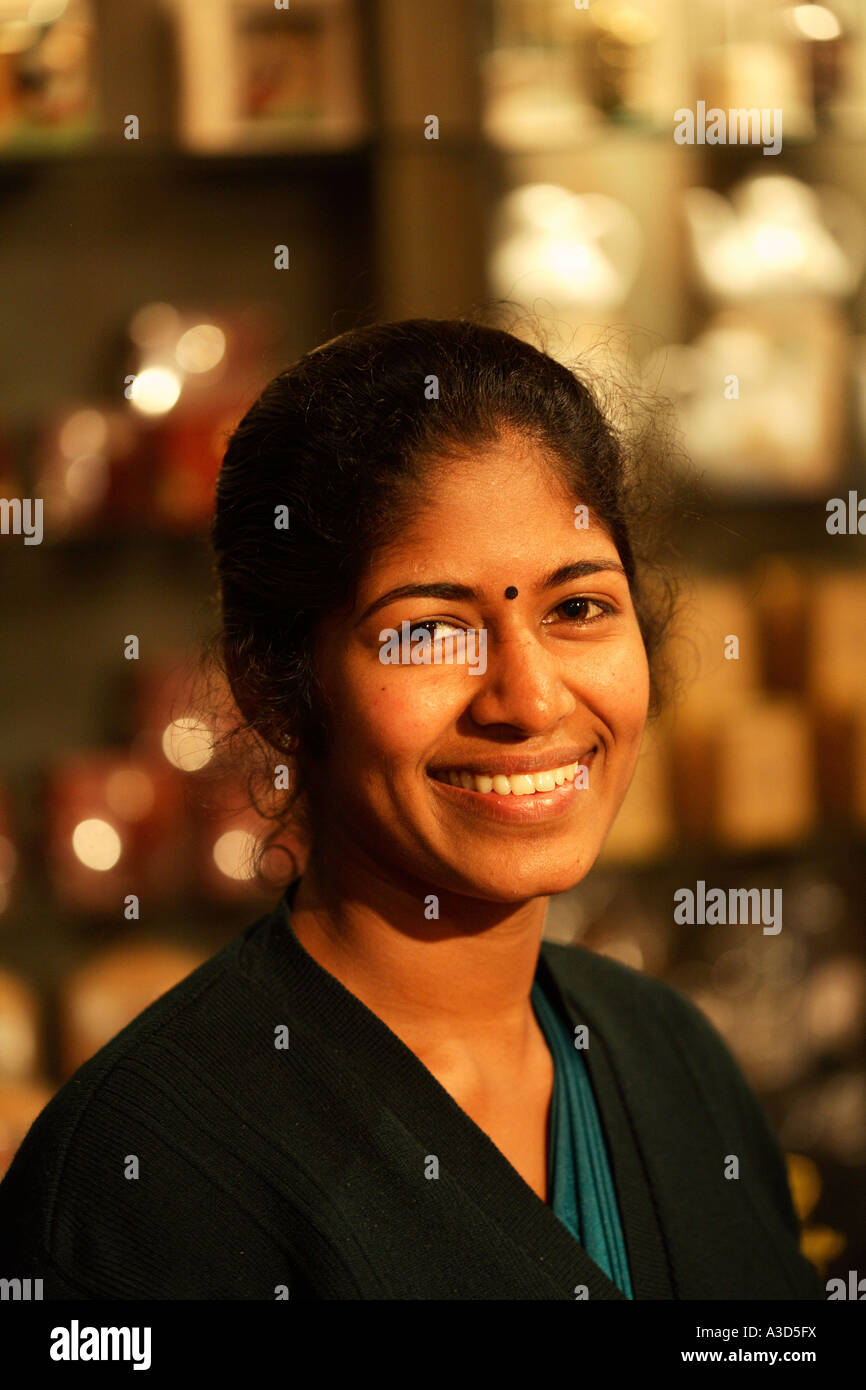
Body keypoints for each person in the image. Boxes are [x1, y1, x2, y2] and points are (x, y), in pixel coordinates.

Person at [0, 318, 822, 1299]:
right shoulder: (150, 1178)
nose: (528, 699)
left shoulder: (669, 1060)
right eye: (428, 630)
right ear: (275, 683)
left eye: (576, 608)